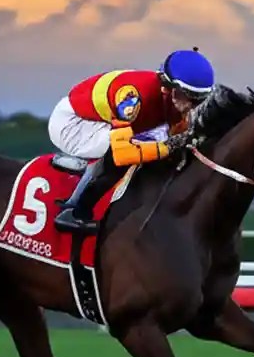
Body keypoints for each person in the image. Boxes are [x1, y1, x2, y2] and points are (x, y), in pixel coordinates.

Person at [47, 47, 216, 233]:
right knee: (128, 151)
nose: (190, 105)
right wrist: (167, 147)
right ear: (166, 86)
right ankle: (75, 211)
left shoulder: (173, 99)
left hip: (107, 121)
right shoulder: (132, 97)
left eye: (198, 100)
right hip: (73, 124)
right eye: (186, 96)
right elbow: (123, 154)